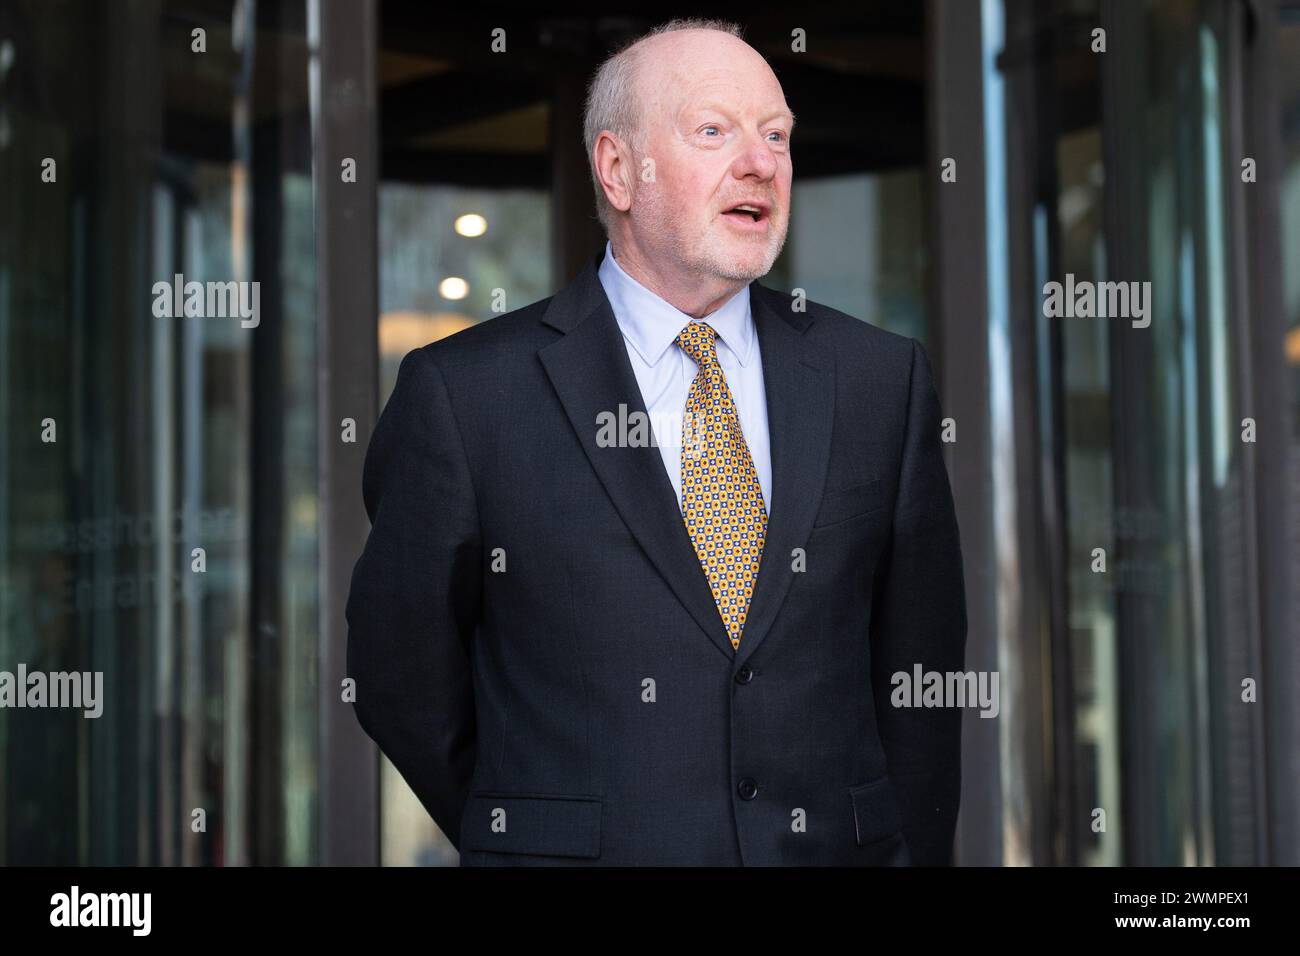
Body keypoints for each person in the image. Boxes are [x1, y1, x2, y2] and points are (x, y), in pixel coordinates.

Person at [346, 17, 967, 866]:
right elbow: (398, 675)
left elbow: (921, 680)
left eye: (776, 134)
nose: (760, 162)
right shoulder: (466, 395)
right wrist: (535, 833)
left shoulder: (878, 381)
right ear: (617, 169)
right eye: (714, 131)